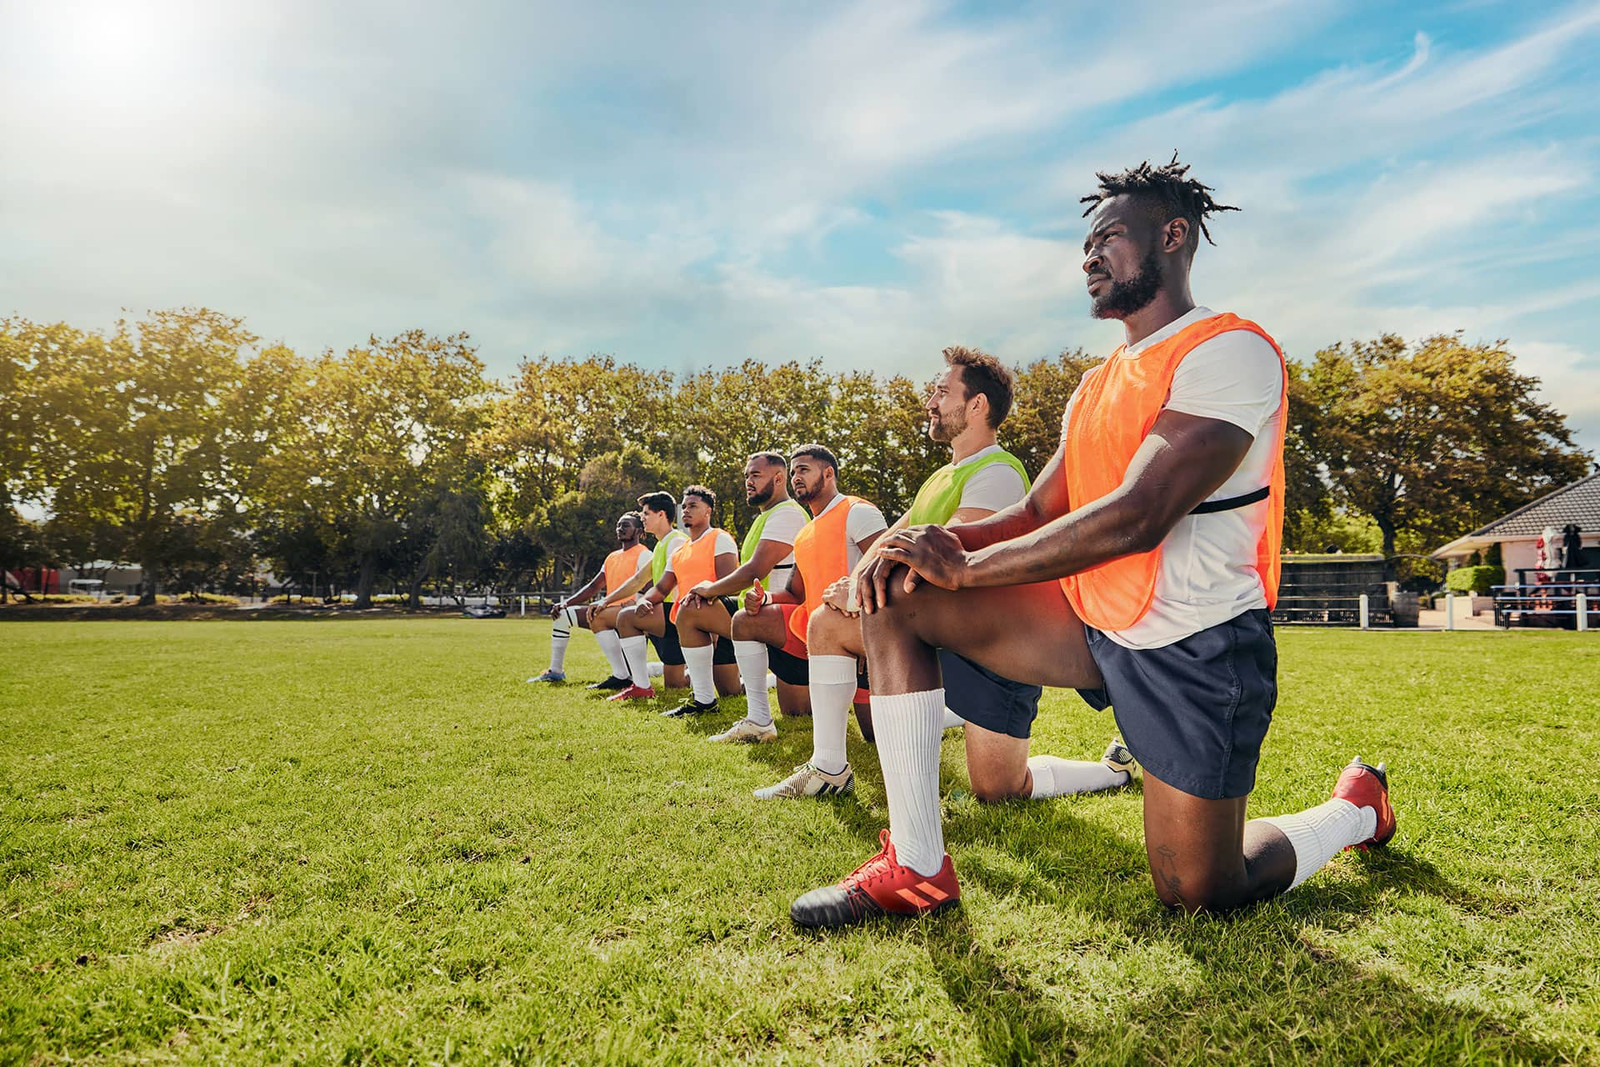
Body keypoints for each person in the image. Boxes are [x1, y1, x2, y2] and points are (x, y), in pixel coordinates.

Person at [789, 156, 1394, 929]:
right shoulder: (1095, 383)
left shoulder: (1228, 349)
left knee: (1203, 889)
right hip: (1090, 624)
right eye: (1086, 244)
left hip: (1196, 642)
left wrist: (968, 565)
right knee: (897, 593)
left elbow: (1140, 513)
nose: (1088, 256)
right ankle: (916, 867)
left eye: (1108, 237)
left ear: (1172, 235)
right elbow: (1036, 510)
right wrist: (913, 545)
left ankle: (1355, 809)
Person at [795, 346, 1136, 805]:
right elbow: (890, 541)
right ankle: (829, 768)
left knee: (1000, 789)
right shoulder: (939, 478)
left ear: (977, 405)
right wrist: (853, 581)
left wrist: (861, 588)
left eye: (941, 392)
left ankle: (1114, 770)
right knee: (825, 623)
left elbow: (940, 560)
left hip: (991, 647)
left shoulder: (998, 473)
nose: (930, 402)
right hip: (934, 631)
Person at [735, 445, 887, 798]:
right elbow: (795, 593)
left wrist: (861, 614)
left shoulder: (857, 512)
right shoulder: (804, 533)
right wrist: (765, 599)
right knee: (746, 619)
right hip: (814, 636)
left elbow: (890, 568)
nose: (797, 477)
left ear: (828, 474)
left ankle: (950, 710)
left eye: (804, 469)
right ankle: (762, 721)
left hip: (859, 634)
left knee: (875, 733)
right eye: (794, 472)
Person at [673, 453, 810, 741]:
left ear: (778, 478)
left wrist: (710, 587)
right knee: (691, 608)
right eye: (746, 475)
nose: (748, 482)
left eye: (755, 476)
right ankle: (704, 700)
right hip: (753, 614)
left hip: (784, 618)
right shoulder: (766, 517)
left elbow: (753, 571)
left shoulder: (787, 513)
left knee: (798, 712)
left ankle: (775, 678)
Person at [614, 487, 740, 707]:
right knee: (627, 616)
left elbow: (731, 585)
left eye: (693, 506)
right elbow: (662, 589)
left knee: (731, 691)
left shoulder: (719, 538)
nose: (686, 511)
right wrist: (645, 600)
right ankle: (650, 686)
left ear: (708, 511)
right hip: (686, 621)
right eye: (684, 507)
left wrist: (710, 618)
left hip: (719, 623)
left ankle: (770, 680)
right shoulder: (679, 551)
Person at [527, 512, 649, 685]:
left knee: (636, 669)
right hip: (605, 612)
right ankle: (555, 672)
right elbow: (593, 587)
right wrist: (565, 603)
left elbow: (648, 585)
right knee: (562, 615)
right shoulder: (612, 557)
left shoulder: (644, 554)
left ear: (638, 531)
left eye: (626, 525)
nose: (620, 529)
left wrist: (636, 601)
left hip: (628, 615)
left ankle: (623, 676)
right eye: (619, 525)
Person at [608, 492, 690, 698]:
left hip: (677, 614)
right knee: (675, 684)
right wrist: (605, 601)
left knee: (626, 617)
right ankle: (701, 670)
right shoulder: (662, 545)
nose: (642, 518)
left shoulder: (676, 542)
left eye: (646, 513)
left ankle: (641, 686)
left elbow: (670, 585)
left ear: (661, 514)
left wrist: (646, 600)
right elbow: (637, 581)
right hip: (666, 614)